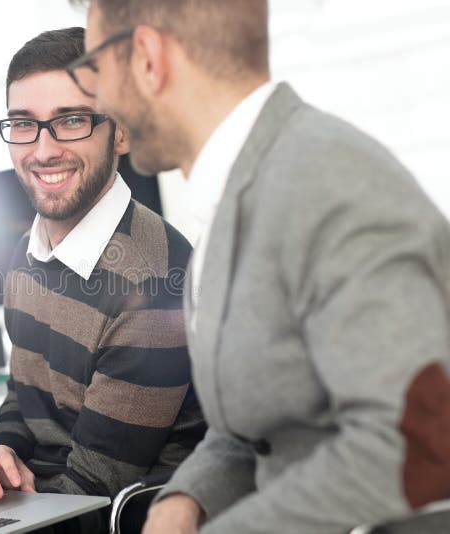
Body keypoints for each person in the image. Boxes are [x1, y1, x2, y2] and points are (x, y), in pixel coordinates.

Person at [68, 1, 450, 533]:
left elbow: (417, 447)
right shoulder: (235, 198)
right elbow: (255, 428)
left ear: (148, 58)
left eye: (96, 70)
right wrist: (186, 500)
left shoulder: (332, 187)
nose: (101, 98)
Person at [0, 27, 206, 534]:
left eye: (71, 120)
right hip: (40, 510)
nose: (43, 151)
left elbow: (91, 503)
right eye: (24, 124)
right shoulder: (33, 249)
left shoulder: (154, 285)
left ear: (122, 130)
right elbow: (25, 395)